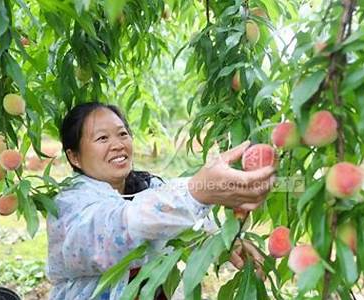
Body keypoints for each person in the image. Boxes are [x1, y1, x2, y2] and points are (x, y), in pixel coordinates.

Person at [46, 102, 276, 299]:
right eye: (102, 138)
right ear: (74, 156)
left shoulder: (147, 186)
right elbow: (117, 229)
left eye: (122, 134)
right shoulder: (68, 206)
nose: (117, 144)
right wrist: (198, 191)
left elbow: (181, 226)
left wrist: (223, 241)